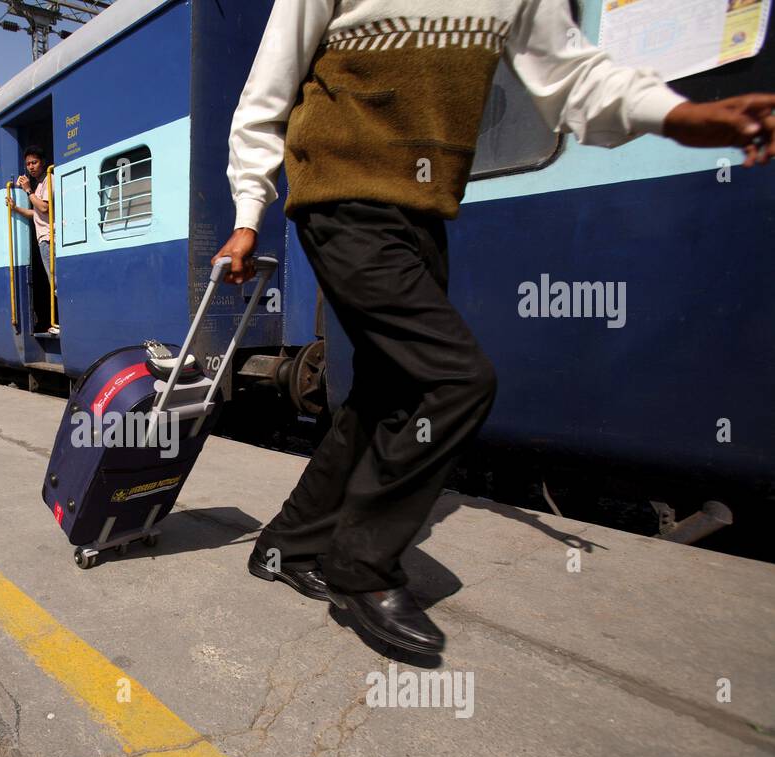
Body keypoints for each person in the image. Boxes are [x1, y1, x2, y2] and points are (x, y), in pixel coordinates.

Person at [219, 0, 775, 656]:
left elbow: (573, 76)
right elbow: (271, 84)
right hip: (342, 197)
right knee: (453, 381)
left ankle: (288, 543)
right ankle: (361, 565)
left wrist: (678, 115)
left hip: (422, 211)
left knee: (386, 390)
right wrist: (249, 208)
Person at [5, 145, 58, 333]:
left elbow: (44, 207)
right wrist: (16, 208)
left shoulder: (48, 180)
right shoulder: (40, 184)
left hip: (49, 238)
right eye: (28, 164)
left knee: (56, 282)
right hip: (44, 238)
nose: (31, 167)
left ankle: (61, 324)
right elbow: (35, 212)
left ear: (42, 162)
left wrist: (28, 190)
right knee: (54, 282)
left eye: (34, 162)